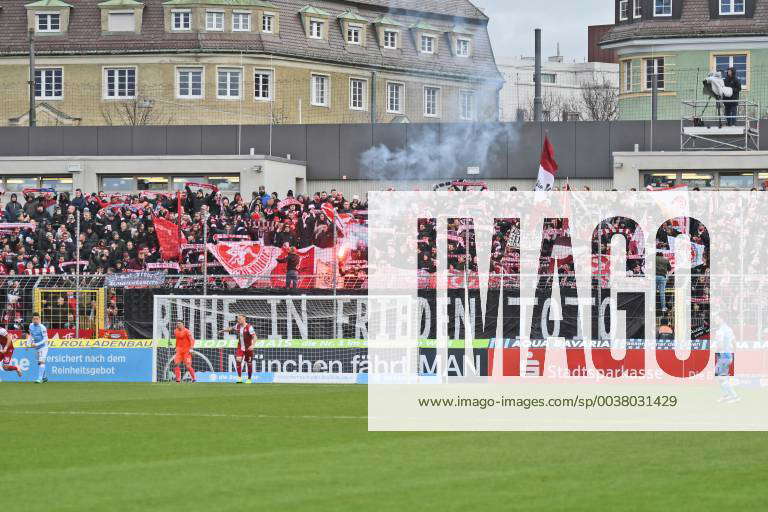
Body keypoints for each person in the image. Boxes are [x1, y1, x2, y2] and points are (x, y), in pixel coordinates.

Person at [221, 315, 255, 384]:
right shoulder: (238, 326)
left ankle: (249, 379)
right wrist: (223, 330)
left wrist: (252, 345)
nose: (238, 320)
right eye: (238, 319)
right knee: (238, 360)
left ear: (244, 319)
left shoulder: (249, 327)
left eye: (240, 319)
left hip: (248, 348)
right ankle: (239, 378)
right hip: (240, 347)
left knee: (249, 363)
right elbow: (231, 329)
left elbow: (255, 337)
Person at [27, 313, 49, 383]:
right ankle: (45, 377)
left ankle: (39, 379)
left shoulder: (42, 327)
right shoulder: (31, 326)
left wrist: (36, 344)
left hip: (43, 346)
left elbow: (46, 339)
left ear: (39, 319)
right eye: (34, 319)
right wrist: (28, 344)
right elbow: (31, 335)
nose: (35, 320)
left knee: (42, 362)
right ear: (32, 319)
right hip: (37, 347)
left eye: (37, 319)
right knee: (39, 363)